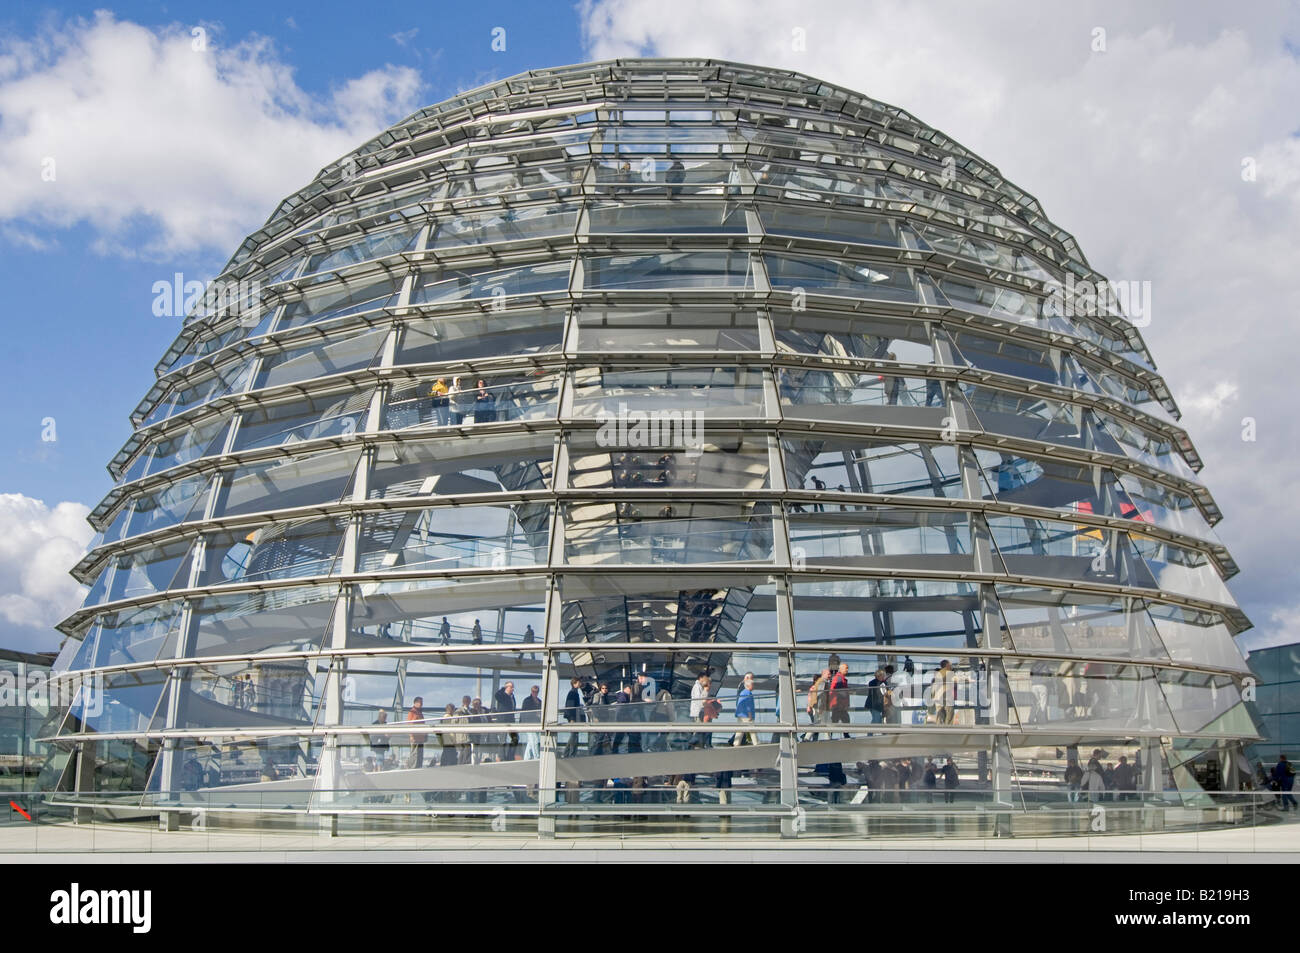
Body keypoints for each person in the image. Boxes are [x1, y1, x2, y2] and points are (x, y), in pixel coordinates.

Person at [492, 682, 518, 761]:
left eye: (513, 687)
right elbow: (496, 695)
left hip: (511, 721)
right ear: (506, 687)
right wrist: (503, 688)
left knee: (515, 738)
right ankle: (502, 757)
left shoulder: (512, 697)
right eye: (511, 687)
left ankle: (510, 756)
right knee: (503, 739)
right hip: (503, 721)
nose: (512, 689)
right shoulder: (502, 696)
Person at [563, 677, 585, 757]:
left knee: (574, 735)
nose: (580, 684)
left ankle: (566, 753)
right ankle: (571, 754)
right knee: (574, 735)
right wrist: (571, 718)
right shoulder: (573, 693)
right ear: (575, 683)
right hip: (573, 717)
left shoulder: (574, 692)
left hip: (573, 717)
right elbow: (570, 706)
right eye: (579, 682)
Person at [733, 672, 758, 746]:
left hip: (740, 714)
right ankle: (756, 743)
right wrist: (750, 715)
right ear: (748, 685)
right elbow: (748, 705)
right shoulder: (748, 693)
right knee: (752, 729)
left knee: (740, 730)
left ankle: (736, 743)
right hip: (746, 715)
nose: (753, 687)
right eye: (752, 685)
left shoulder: (742, 692)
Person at [520, 684, 542, 760]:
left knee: (531, 742)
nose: (535, 693)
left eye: (536, 691)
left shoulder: (540, 701)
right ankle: (537, 757)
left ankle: (526, 758)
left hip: (537, 724)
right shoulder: (527, 701)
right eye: (533, 691)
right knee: (535, 740)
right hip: (529, 724)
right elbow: (524, 713)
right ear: (531, 691)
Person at [829, 662, 851, 736]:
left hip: (838, 705)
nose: (847, 670)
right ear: (841, 669)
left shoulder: (840, 678)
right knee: (842, 720)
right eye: (846, 668)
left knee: (840, 720)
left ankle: (845, 735)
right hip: (838, 705)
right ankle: (845, 735)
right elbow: (836, 691)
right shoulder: (839, 678)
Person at [930, 659, 955, 725]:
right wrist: (968, 679)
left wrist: (933, 698)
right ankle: (948, 733)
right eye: (950, 665)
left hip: (938, 701)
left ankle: (940, 733)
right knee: (949, 720)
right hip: (947, 700)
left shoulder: (936, 676)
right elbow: (957, 679)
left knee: (939, 720)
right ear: (947, 665)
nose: (952, 667)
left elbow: (933, 690)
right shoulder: (948, 672)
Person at [406, 697, 426, 769]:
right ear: (415, 703)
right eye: (420, 702)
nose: (421, 704)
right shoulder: (412, 712)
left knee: (419, 754)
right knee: (414, 754)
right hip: (415, 737)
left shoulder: (420, 713)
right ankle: (413, 767)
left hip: (420, 738)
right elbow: (410, 725)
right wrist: (411, 736)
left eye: (422, 703)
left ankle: (418, 767)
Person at [438, 703, 460, 767]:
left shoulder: (443, 718)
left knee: (446, 755)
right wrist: (454, 741)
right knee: (450, 757)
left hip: (445, 741)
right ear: (452, 710)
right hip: (449, 741)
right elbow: (451, 731)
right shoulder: (448, 718)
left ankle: (444, 767)